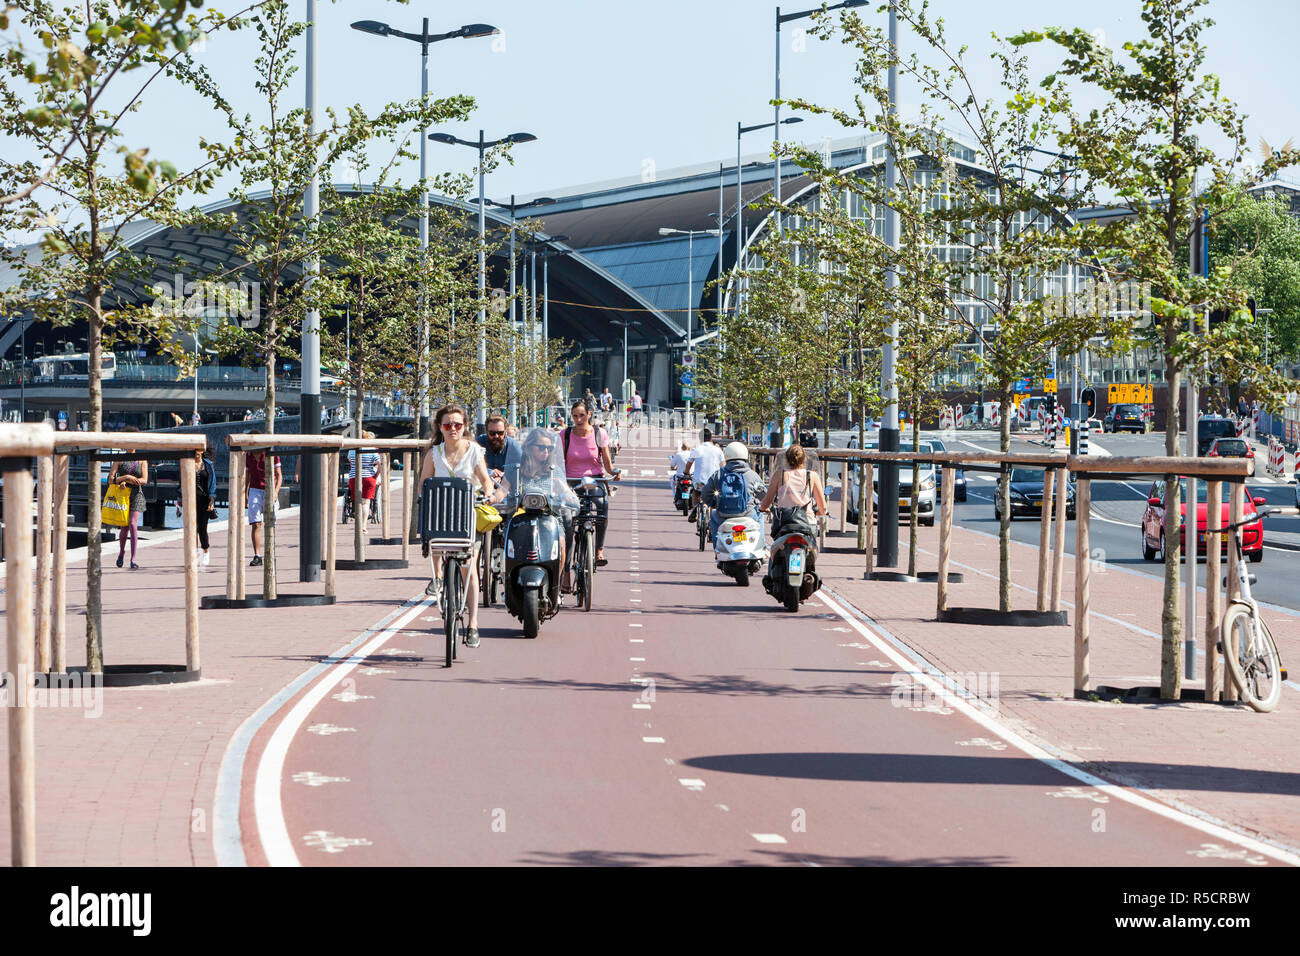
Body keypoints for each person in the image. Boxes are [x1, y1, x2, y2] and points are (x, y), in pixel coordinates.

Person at [418, 403, 502, 648]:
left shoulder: (475, 451)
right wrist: (424, 497)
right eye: (447, 425)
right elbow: (424, 483)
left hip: (467, 513)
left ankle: (473, 624)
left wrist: (488, 494)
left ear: (464, 427)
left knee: (470, 568)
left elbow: (486, 481)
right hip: (443, 513)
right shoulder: (434, 454)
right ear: (440, 427)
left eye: (457, 424)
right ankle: (439, 579)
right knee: (432, 538)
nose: (452, 428)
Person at [561, 398, 619, 570]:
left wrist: (615, 473)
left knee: (602, 505)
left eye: (582, 416)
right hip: (570, 482)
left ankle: (599, 549)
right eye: (575, 416)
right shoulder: (564, 435)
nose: (579, 420)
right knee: (568, 522)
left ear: (589, 414)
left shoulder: (599, 434)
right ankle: (565, 569)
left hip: (594, 479)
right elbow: (556, 461)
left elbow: (608, 464)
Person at [701, 442, 767, 542]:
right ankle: (762, 545)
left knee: (714, 516)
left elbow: (705, 495)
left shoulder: (718, 474)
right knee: (760, 515)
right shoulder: (752, 475)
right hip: (748, 514)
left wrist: (716, 504)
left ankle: (717, 548)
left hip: (723, 515)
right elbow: (763, 495)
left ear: (727, 455)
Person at [758, 443, 829, 532]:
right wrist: (820, 512)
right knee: (812, 545)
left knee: (777, 545)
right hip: (807, 523)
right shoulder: (812, 476)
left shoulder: (779, 475)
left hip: (784, 523)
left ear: (786, 459)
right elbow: (823, 507)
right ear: (804, 459)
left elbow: (766, 503)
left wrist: (763, 508)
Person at [108, 427, 148, 570]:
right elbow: (110, 479)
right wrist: (124, 478)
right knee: (124, 527)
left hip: (137, 494)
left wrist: (131, 480)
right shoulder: (119, 459)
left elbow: (144, 480)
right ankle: (121, 552)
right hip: (122, 496)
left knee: (133, 523)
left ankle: (133, 558)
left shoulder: (142, 460)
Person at [244, 441, 281, 567]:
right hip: (255, 490)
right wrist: (245, 494)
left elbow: (279, 475)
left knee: (270, 523)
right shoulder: (247, 456)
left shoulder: (271, 455)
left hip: (269, 488)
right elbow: (247, 476)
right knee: (255, 523)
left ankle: (270, 552)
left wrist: (275, 492)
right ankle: (257, 555)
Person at [684, 427, 724, 522]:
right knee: (715, 499)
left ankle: (695, 509)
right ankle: (713, 517)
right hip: (714, 482)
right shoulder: (718, 450)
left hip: (699, 482)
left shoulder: (696, 449)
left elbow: (689, 464)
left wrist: (686, 472)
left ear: (700, 439)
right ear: (711, 438)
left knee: (696, 494)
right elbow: (723, 466)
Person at [479, 414, 523, 496]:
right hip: (482, 492)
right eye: (492, 433)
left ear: (505, 431)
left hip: (509, 493)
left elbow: (522, 468)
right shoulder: (478, 443)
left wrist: (504, 476)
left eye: (500, 433)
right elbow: (471, 466)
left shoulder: (514, 445)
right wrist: (490, 472)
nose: (496, 436)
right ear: (486, 431)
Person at [346, 431, 381, 528]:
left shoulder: (351, 450)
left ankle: (358, 525)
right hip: (369, 477)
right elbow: (379, 464)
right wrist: (376, 476)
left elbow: (351, 463)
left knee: (357, 502)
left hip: (354, 477)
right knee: (366, 502)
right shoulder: (372, 450)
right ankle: (364, 526)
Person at [193, 447, 216, 568]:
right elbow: (182, 481)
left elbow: (212, 482)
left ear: (202, 451)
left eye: (199, 449)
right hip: (190, 499)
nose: (197, 452)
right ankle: (194, 554)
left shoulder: (208, 465)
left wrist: (212, 499)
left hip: (204, 499)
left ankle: (205, 551)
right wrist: (180, 499)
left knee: (202, 528)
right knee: (191, 529)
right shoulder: (188, 462)